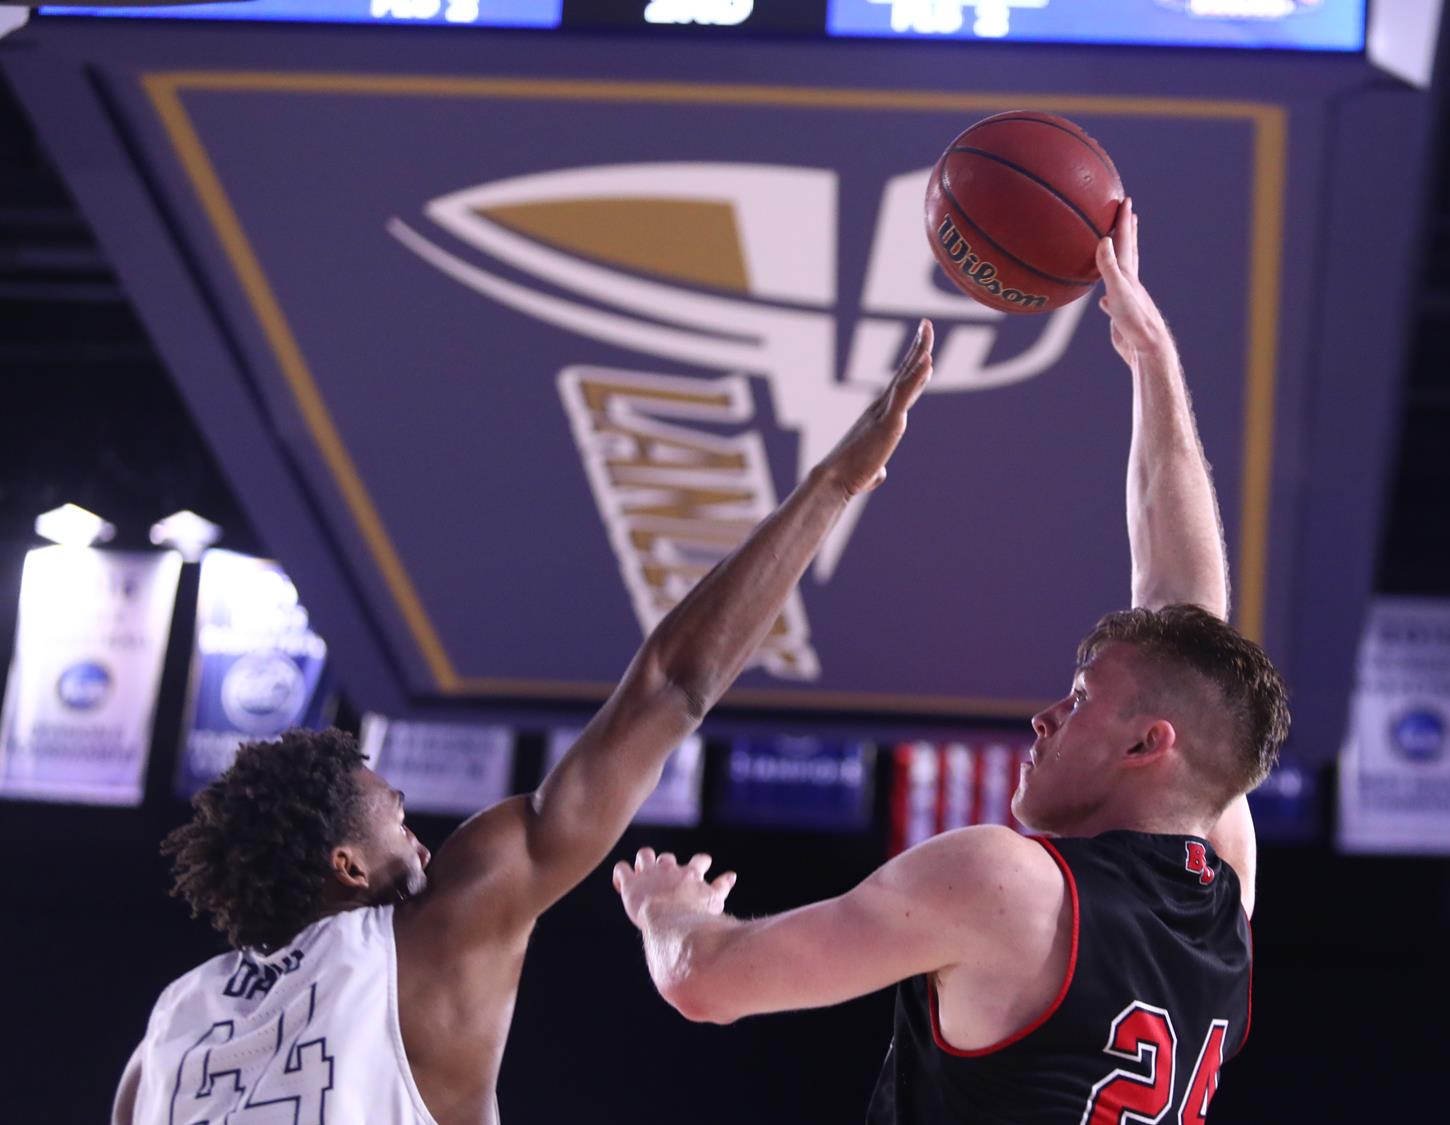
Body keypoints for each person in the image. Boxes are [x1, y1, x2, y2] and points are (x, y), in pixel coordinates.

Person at [110, 322, 939, 1125]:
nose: (425, 845)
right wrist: (833, 481)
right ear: (348, 865)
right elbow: (671, 687)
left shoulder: (166, 1035)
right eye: (398, 822)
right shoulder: (424, 944)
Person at [611, 200, 1290, 1123]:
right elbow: (1188, 620)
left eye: (1082, 697)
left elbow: (706, 982)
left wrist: (667, 910)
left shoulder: (1007, 886)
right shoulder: (1223, 897)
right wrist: (1152, 359)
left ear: (1146, 747)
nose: (1046, 716)